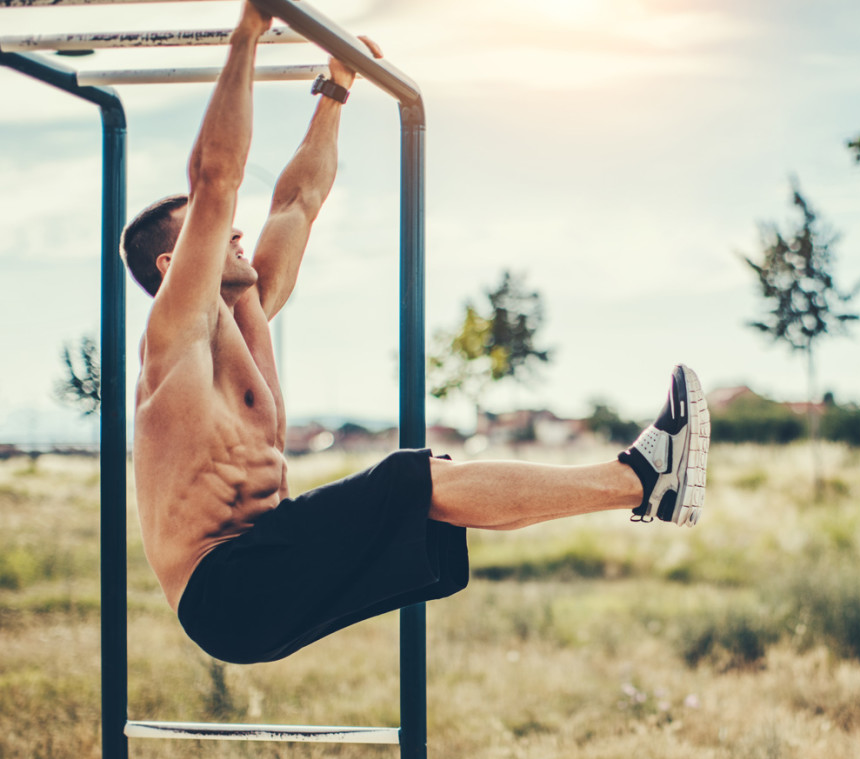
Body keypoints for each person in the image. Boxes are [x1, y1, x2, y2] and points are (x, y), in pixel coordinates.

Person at [121, 2, 709, 665]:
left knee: (431, 493)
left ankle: (643, 486)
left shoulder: (249, 308)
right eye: (208, 227)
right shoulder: (172, 340)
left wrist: (336, 88)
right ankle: (641, 480)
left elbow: (297, 203)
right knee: (412, 481)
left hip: (263, 568)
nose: (232, 231)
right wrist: (248, 34)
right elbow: (215, 178)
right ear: (173, 267)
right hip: (226, 589)